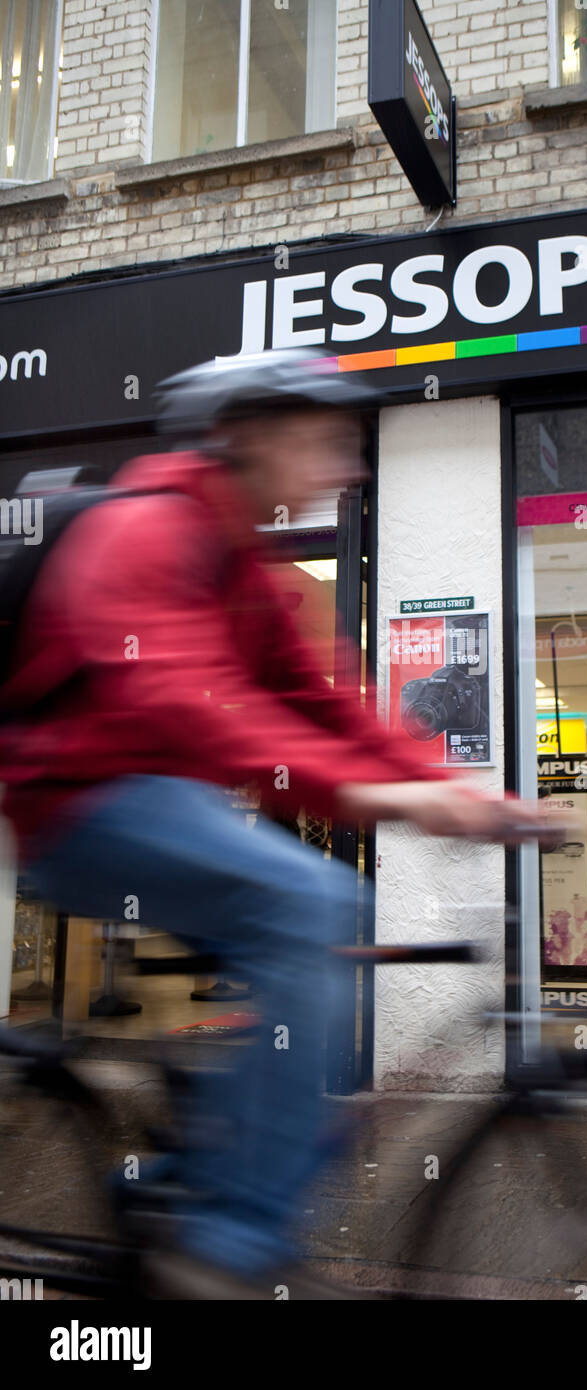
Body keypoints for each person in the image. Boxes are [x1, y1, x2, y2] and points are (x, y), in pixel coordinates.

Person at [0, 349, 554, 1299]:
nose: (345, 465)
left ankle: (194, 1172)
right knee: (311, 899)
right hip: (74, 800)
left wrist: (456, 788)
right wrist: (388, 799)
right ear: (248, 435)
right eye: (323, 440)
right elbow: (184, 703)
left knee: (298, 929)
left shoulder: (246, 570)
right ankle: (230, 1241)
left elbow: (327, 704)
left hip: (153, 795)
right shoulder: (147, 527)